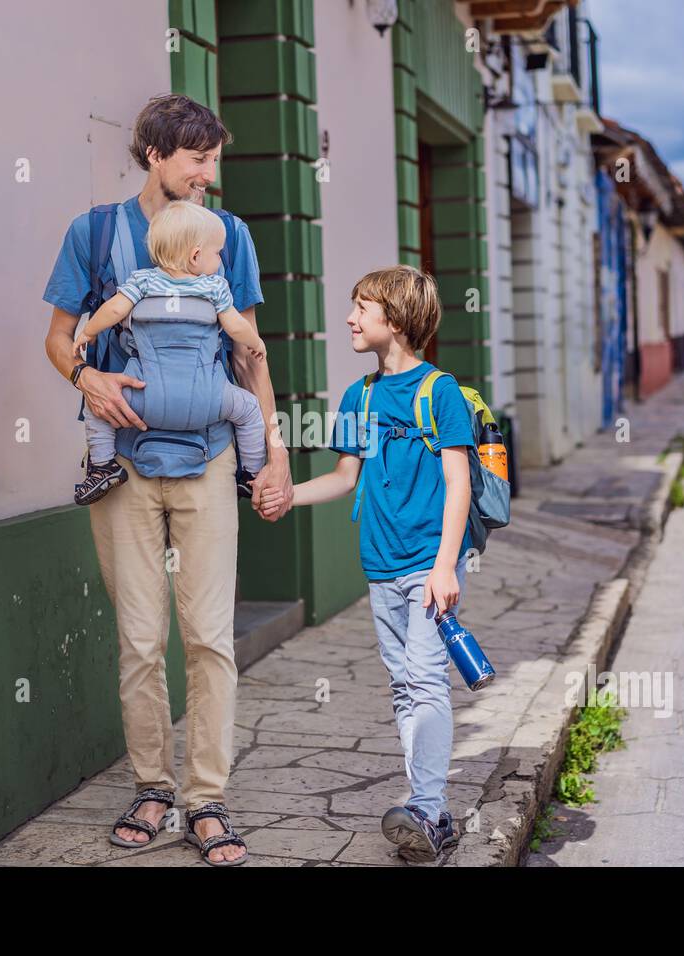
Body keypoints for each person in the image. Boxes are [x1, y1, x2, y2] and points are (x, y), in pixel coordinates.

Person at [42, 94, 292, 866]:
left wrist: (273, 449)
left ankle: (206, 799)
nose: (210, 175)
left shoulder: (230, 237)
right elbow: (58, 340)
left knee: (209, 637)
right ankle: (152, 788)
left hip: (213, 454)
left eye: (214, 159)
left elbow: (249, 353)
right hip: (121, 465)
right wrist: (87, 379)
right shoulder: (93, 234)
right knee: (140, 640)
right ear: (155, 154)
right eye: (198, 159)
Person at [289, 265, 474, 862]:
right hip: (379, 566)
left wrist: (446, 566)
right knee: (402, 686)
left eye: (361, 308)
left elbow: (458, 483)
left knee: (425, 679)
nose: (350, 318)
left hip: (427, 563)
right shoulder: (357, 396)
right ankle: (433, 814)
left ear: (393, 320)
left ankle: (425, 802)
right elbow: (345, 478)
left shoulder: (438, 391)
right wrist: (286, 495)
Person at [70, 200, 268, 505]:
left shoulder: (142, 281)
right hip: (207, 397)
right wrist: (256, 342)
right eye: (216, 253)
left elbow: (113, 310)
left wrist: (88, 331)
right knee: (249, 410)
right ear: (195, 256)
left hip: (143, 396)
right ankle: (250, 474)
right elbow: (235, 326)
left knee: (99, 407)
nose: (219, 259)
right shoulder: (214, 287)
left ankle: (102, 466)